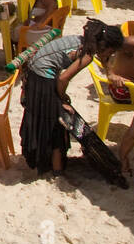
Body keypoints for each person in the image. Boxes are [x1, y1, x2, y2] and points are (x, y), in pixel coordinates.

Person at [17, 20, 123, 175]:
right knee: (59, 122)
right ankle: (57, 170)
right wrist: (60, 100)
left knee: (52, 119)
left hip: (34, 73)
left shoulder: (83, 41)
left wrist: (110, 73)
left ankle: (51, 164)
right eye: (111, 52)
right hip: (42, 78)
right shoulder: (86, 55)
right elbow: (63, 79)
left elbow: (103, 59)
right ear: (104, 46)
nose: (110, 55)